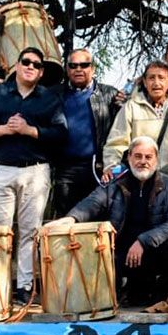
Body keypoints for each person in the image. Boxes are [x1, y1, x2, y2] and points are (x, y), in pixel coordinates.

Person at [0, 46, 67, 302]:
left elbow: (60, 133)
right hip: (0, 169)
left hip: (35, 172)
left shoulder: (49, 98)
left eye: (36, 65)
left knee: (29, 231)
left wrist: (30, 130)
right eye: (26, 62)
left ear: (41, 72)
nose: (30, 67)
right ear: (16, 65)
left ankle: (24, 287)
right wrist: (2, 129)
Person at [47, 136, 168, 306]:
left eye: (148, 157)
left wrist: (143, 241)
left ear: (156, 159)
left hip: (154, 249)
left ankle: (162, 295)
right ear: (129, 158)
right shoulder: (116, 183)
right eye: (138, 156)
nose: (143, 161)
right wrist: (71, 218)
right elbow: (93, 202)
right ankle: (117, 294)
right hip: (122, 250)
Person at [50, 48, 122, 217]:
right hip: (65, 168)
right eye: (73, 65)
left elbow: (121, 132)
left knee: (98, 218)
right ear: (67, 69)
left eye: (84, 65)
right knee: (66, 219)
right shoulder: (54, 94)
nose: (79, 69)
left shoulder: (110, 94)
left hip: (97, 167)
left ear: (93, 68)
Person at [103, 60, 168, 180]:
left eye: (161, 78)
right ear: (144, 82)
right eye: (151, 78)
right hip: (139, 180)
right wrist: (111, 166)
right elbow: (116, 143)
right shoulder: (131, 107)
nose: (156, 82)